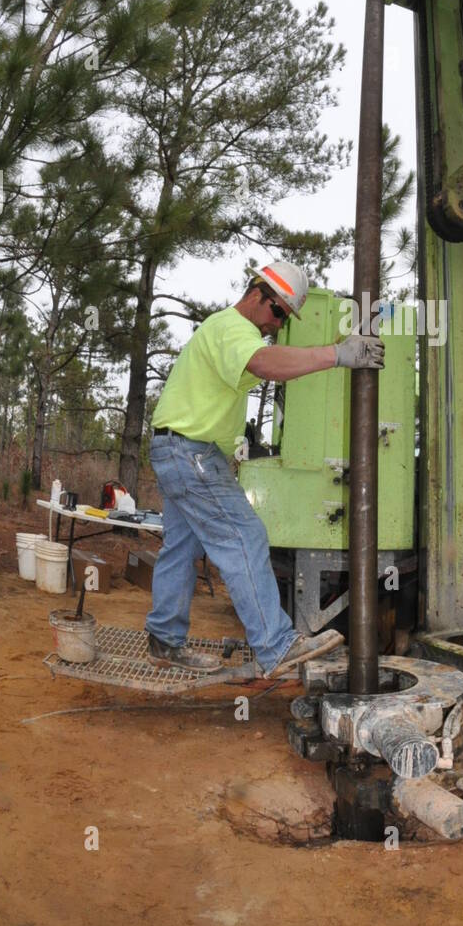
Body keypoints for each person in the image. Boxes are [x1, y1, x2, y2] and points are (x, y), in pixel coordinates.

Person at [146, 261, 383, 676]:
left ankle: (164, 640)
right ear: (257, 295)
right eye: (277, 314)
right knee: (245, 536)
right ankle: (276, 646)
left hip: (178, 452)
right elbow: (266, 363)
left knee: (181, 548)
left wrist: (227, 450)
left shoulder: (223, 330)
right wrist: (337, 355)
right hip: (189, 454)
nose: (276, 325)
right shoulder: (234, 328)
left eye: (284, 320)